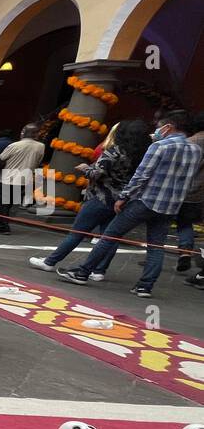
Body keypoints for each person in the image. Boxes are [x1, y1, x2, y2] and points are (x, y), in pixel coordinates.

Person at [58, 110, 201, 297]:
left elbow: (141, 176)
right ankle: (144, 286)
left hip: (145, 201)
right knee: (156, 246)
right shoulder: (196, 150)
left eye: (159, 127)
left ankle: (82, 272)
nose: (156, 130)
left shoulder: (159, 146)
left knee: (110, 235)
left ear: (168, 127)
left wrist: (124, 197)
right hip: (170, 206)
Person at [29, 120, 149, 277]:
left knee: (77, 232)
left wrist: (85, 169)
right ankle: (99, 271)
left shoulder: (114, 151)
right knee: (110, 237)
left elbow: (96, 174)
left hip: (100, 197)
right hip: (121, 199)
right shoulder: (142, 155)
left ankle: (50, 261)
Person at [0, 124, 46, 235]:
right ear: (36, 134)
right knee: (10, 203)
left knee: (3, 203)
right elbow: (38, 161)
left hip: (7, 178)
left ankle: (3, 226)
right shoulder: (41, 146)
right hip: (24, 179)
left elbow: (1, 158)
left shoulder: (14, 145)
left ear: (24, 133)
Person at [175, 113, 204, 273]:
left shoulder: (190, 143)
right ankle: (185, 251)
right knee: (186, 223)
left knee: (161, 222)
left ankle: (183, 252)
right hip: (199, 194)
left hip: (181, 190)